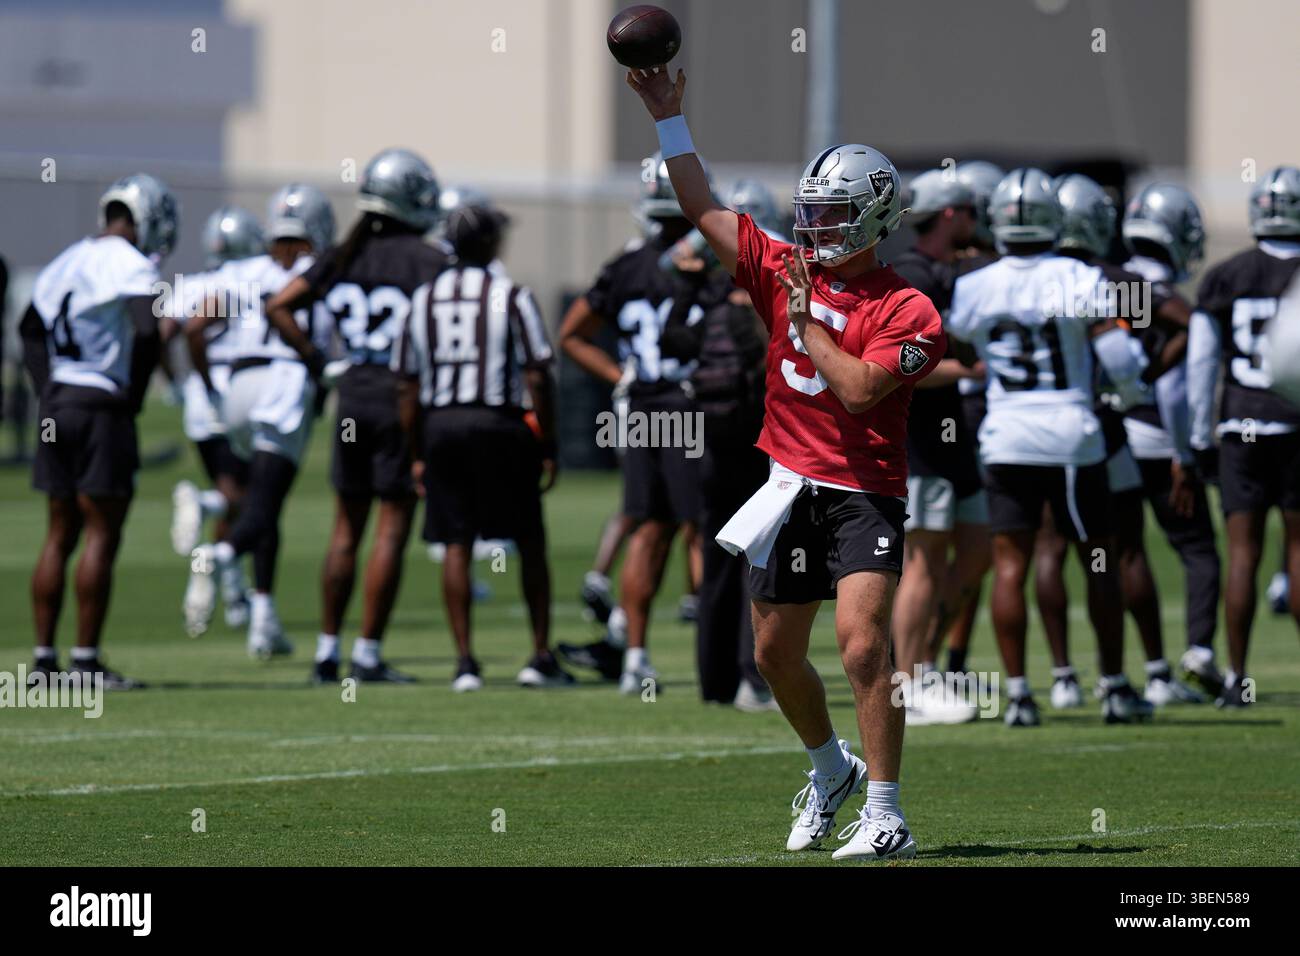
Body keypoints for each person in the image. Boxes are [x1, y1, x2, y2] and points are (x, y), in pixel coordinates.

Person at [629, 65, 947, 860]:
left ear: (875, 219)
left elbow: (861, 390)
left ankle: (886, 810)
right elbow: (702, 206)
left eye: (834, 215)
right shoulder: (781, 268)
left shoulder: (908, 308)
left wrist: (805, 318)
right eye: (812, 211)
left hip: (862, 493)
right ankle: (829, 768)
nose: (816, 227)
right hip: (786, 484)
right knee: (773, 654)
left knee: (862, 645)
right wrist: (670, 118)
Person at [948, 168, 1154, 727]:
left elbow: (960, 344)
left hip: (1005, 433)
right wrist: (1134, 391)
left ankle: (1019, 695)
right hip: (1071, 434)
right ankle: (1112, 686)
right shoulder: (1079, 276)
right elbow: (1118, 360)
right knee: (1098, 557)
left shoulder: (975, 284)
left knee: (1011, 563)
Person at [264, 148, 448, 684]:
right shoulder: (428, 260)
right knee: (391, 527)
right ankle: (367, 653)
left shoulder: (344, 253)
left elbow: (278, 305)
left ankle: (326, 651)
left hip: (353, 396)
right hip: (401, 397)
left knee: (345, 529)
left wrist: (321, 362)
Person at [1032, 174, 1203, 708]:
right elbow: (1188, 322)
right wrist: (1146, 376)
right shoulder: (1116, 280)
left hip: (1037, 429)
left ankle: (1060, 678)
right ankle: (1147, 672)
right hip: (1102, 426)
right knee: (1121, 550)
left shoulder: (1028, 278)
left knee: (1048, 548)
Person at [393, 201, 570, 688]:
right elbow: (538, 369)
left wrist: (416, 453)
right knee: (530, 538)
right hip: (500, 424)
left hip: (442, 424)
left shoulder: (423, 298)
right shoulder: (509, 294)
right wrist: (549, 441)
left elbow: (407, 384)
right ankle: (538, 656)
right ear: (491, 242)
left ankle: (466, 662)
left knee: (456, 541)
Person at [557, 152, 710, 693]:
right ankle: (718, 655)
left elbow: (572, 334)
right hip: (690, 407)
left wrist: (619, 375)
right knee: (701, 529)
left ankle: (636, 659)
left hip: (642, 406)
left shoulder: (625, 265)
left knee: (647, 529)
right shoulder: (707, 258)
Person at [19, 173, 178, 689]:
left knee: (57, 533)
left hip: (57, 403)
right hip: (98, 405)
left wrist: (47, 390)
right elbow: (150, 326)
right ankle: (85, 662)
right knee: (101, 533)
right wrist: (132, 394)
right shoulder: (130, 263)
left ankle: (44, 662)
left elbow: (30, 328)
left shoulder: (67, 259)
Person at [182, 185, 336, 659]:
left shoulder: (243, 270)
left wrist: (211, 385)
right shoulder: (319, 270)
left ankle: (263, 619)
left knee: (258, 500)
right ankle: (219, 553)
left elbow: (193, 328)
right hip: (283, 383)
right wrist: (318, 369)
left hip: (238, 389)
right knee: (265, 505)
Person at [659, 179, 782, 711]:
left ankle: (713, 683)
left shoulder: (707, 295)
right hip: (756, 440)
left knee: (715, 560)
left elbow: (673, 340)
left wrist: (689, 288)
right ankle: (750, 678)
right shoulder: (764, 287)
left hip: (708, 438)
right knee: (757, 561)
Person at [1187, 165, 1300, 707]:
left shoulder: (1227, 274)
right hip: (1295, 424)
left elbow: (1201, 364)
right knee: (1297, 549)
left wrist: (1196, 436)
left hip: (1240, 426)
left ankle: (1237, 679)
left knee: (1243, 554)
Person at [888, 169, 987, 725]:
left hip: (954, 435)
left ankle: (921, 659)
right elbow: (901, 369)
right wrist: (971, 370)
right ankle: (907, 680)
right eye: (970, 211)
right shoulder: (911, 275)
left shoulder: (952, 272)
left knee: (977, 548)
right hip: (920, 435)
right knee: (923, 557)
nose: (977, 222)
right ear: (949, 214)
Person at [169, 206, 265, 631]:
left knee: (236, 492)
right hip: (237, 400)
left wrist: (177, 381)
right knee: (251, 498)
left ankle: (232, 591)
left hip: (197, 404)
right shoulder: (246, 283)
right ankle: (204, 506)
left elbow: (163, 332)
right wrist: (210, 377)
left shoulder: (188, 285)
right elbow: (193, 329)